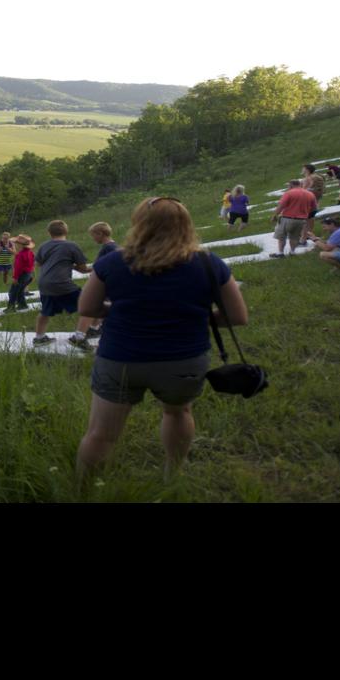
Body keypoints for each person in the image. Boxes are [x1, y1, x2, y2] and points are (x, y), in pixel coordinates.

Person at [76, 196, 248, 477]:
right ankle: (173, 473)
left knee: (101, 434)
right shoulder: (209, 263)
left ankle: (83, 488)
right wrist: (193, 317)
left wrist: (119, 311)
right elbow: (237, 316)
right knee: (178, 413)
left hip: (120, 359)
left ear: (139, 224)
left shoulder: (113, 262)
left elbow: (87, 308)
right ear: (186, 224)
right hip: (183, 360)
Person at [32, 220, 93, 348]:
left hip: (44, 284)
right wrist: (96, 268)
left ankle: (39, 338)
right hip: (62, 284)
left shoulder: (44, 246)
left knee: (45, 311)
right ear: (66, 231)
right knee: (89, 306)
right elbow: (83, 269)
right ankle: (79, 338)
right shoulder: (71, 246)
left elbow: (37, 263)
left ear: (49, 233)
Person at [85, 221, 118, 341]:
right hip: (107, 281)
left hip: (106, 282)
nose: (93, 238)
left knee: (99, 305)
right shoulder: (112, 246)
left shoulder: (109, 248)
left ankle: (95, 328)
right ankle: (98, 327)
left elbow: (107, 265)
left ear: (100, 233)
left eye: (93, 235)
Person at [271, 178, 319, 257]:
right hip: (301, 220)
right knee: (294, 237)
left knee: (282, 236)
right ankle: (292, 252)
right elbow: (314, 208)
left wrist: (274, 215)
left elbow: (281, 205)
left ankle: (280, 253)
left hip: (287, 218)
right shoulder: (310, 194)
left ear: (291, 185)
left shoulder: (289, 193)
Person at [5, 234, 35, 312]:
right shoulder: (30, 253)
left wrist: (15, 278)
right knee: (20, 290)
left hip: (21, 275)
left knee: (13, 292)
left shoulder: (20, 255)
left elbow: (18, 268)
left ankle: (11, 307)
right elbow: (32, 264)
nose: (14, 245)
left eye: (16, 244)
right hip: (28, 275)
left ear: (20, 245)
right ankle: (22, 305)